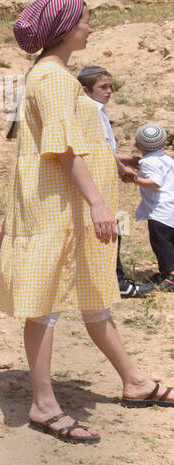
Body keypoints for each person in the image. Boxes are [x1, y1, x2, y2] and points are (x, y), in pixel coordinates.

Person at [0, 0, 172, 443]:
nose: (90, 29)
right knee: (46, 307)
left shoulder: (52, 76)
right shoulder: (54, 80)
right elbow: (60, 149)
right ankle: (42, 404)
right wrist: (97, 202)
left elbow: (71, 142)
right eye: (85, 22)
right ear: (64, 28)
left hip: (69, 207)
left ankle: (133, 382)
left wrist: (115, 167)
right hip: (60, 210)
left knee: (95, 298)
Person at [76, 65, 155, 297]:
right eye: (103, 87)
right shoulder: (89, 110)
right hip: (97, 179)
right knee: (111, 228)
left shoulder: (96, 109)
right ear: (85, 89)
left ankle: (109, 279)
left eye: (110, 87)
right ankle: (117, 282)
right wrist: (122, 168)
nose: (109, 91)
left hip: (102, 177)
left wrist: (124, 159)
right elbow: (97, 150)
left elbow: (102, 149)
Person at [132, 122, 174, 291]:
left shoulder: (148, 162)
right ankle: (165, 272)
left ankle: (170, 275)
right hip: (170, 207)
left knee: (161, 243)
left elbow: (154, 183)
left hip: (160, 211)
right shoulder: (167, 158)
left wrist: (134, 179)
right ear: (164, 143)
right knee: (170, 242)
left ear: (137, 145)